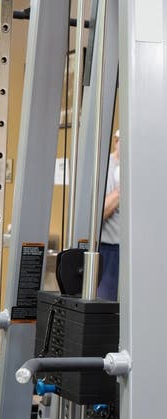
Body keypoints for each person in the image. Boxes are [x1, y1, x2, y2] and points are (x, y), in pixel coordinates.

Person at [97, 128, 120, 300]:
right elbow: (100, 213)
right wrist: (120, 192)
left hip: (129, 249)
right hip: (108, 250)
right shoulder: (106, 167)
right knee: (105, 303)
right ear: (115, 141)